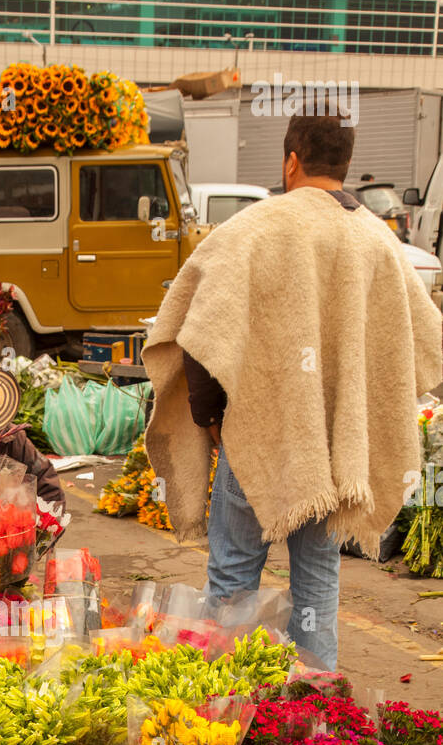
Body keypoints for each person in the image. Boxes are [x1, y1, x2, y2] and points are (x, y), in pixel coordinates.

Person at [142, 110, 442, 670]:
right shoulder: (377, 241)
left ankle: (222, 708)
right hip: (334, 451)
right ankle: (316, 715)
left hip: (258, 435)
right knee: (318, 582)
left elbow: (200, 332)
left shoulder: (253, 230)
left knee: (233, 573)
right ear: (345, 166)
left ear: (291, 161)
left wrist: (209, 415)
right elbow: (413, 345)